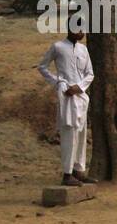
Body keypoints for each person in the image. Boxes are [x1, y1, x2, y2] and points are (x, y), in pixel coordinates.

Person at [37, 29, 96, 186]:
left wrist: (79, 87)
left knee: (82, 134)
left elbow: (90, 74)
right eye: (78, 28)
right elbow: (42, 66)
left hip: (81, 95)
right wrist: (58, 82)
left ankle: (79, 170)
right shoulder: (58, 47)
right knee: (69, 133)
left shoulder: (83, 49)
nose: (81, 32)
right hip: (66, 96)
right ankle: (67, 173)